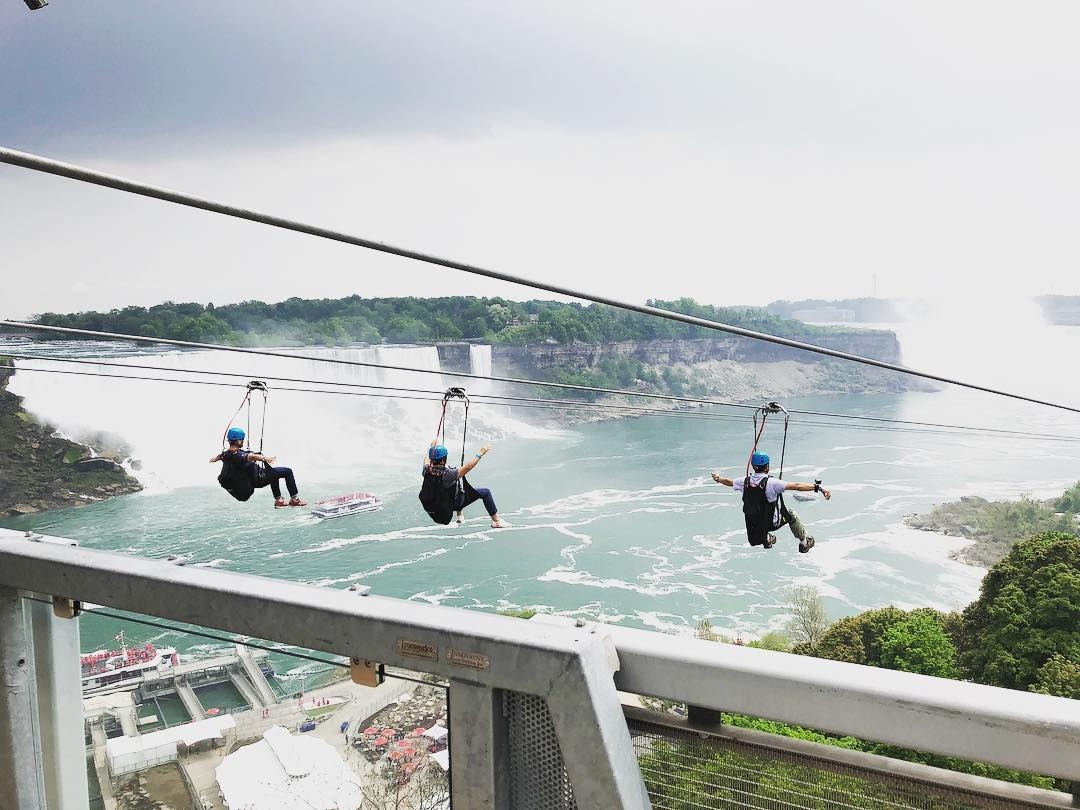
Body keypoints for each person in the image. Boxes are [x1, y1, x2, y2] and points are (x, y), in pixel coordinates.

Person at [710, 451, 831, 553]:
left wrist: (718, 478)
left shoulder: (744, 482)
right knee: (791, 514)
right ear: (767, 467)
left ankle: (767, 538)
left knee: (761, 513)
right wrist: (818, 488)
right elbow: (797, 486)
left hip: (755, 524)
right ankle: (804, 543)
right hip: (772, 523)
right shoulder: (773, 483)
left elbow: (729, 482)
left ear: (753, 466)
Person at [210, 426, 307, 508]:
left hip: (251, 480)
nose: (243, 441)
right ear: (238, 441)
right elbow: (250, 456)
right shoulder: (240, 456)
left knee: (273, 474)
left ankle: (279, 501)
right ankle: (295, 500)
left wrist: (214, 459)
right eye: (242, 439)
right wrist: (264, 458)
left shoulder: (225, 454)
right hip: (259, 479)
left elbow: (220, 456)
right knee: (287, 471)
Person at [421, 441, 511, 528]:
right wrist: (481, 453)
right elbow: (467, 467)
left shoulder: (426, 470)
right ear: (442, 461)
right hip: (449, 506)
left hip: (436, 507)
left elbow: (426, 460)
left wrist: (431, 447)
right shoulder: (448, 475)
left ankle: (459, 514)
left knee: (454, 481)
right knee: (485, 492)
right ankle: (496, 521)